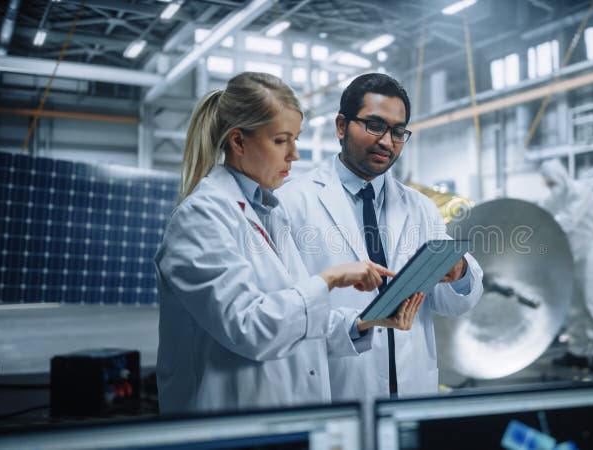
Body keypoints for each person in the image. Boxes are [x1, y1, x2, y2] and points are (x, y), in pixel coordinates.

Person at [155, 72, 424, 414]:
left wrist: (365, 321)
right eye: (281, 141)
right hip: (226, 422)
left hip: (285, 419)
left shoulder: (270, 213)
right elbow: (250, 327)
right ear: (238, 142)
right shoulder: (201, 218)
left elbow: (295, 322)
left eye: (295, 139)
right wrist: (329, 279)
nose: (294, 155)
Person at [274, 73, 484, 400]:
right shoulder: (291, 204)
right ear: (341, 126)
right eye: (374, 125)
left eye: (398, 132)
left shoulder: (420, 208)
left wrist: (458, 272)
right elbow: (284, 315)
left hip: (412, 386)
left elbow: (452, 304)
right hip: (339, 387)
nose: (387, 142)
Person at [538, 159, 593, 372]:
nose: (550, 186)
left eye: (552, 181)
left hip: (591, 254)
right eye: (547, 182)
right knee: (574, 306)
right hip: (570, 255)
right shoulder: (553, 198)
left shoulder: (581, 191)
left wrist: (543, 227)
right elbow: (540, 213)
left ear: (560, 175)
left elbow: (568, 220)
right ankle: (577, 351)